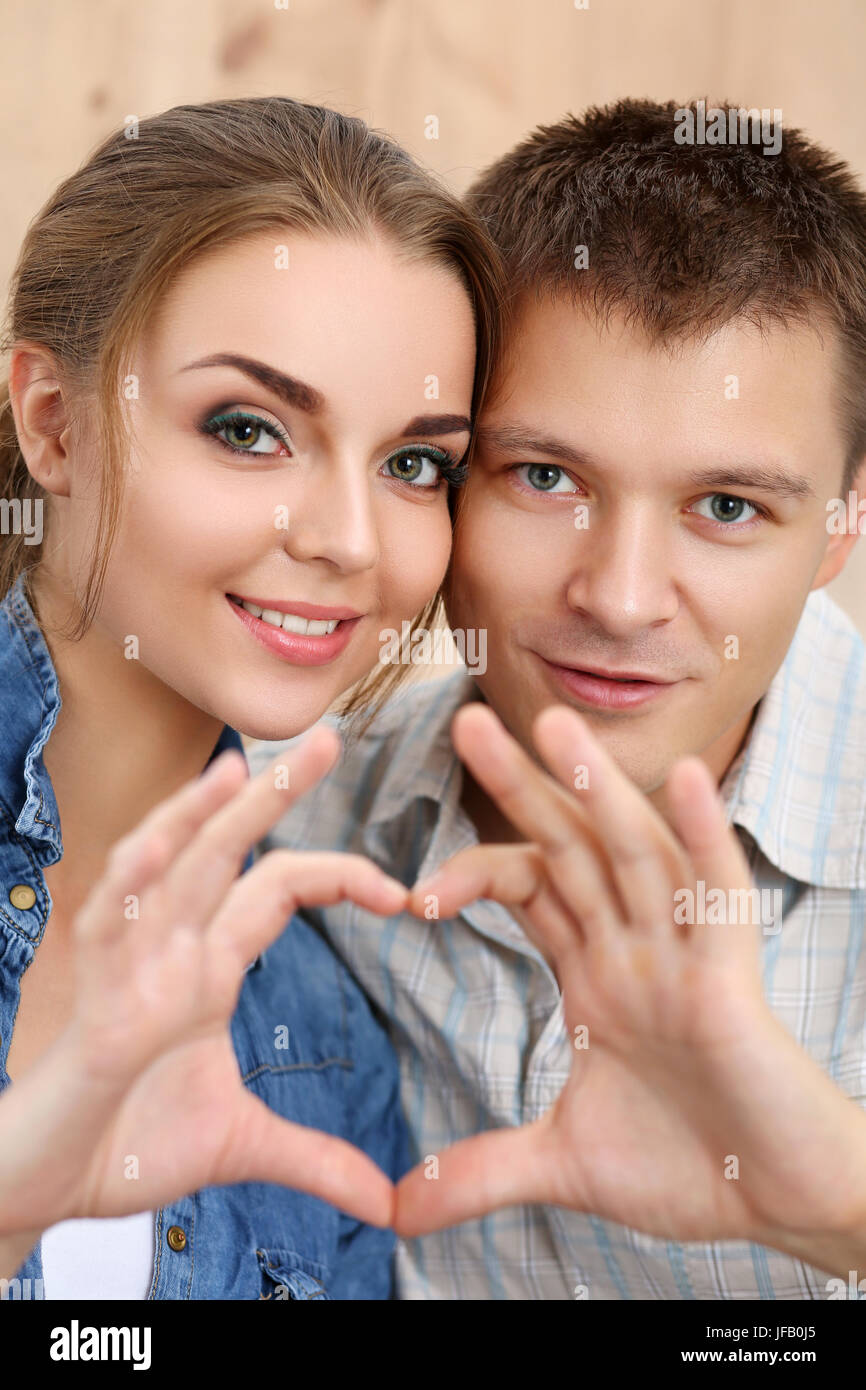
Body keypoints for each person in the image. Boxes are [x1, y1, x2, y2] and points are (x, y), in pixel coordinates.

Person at [253, 98, 866, 1299]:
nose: (621, 599)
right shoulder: (300, 827)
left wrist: (838, 1206)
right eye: (543, 476)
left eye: (726, 506)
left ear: (842, 522)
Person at [0, 93, 502, 1299]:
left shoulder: (325, 1041)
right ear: (53, 424)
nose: (348, 539)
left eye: (413, 463)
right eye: (248, 429)